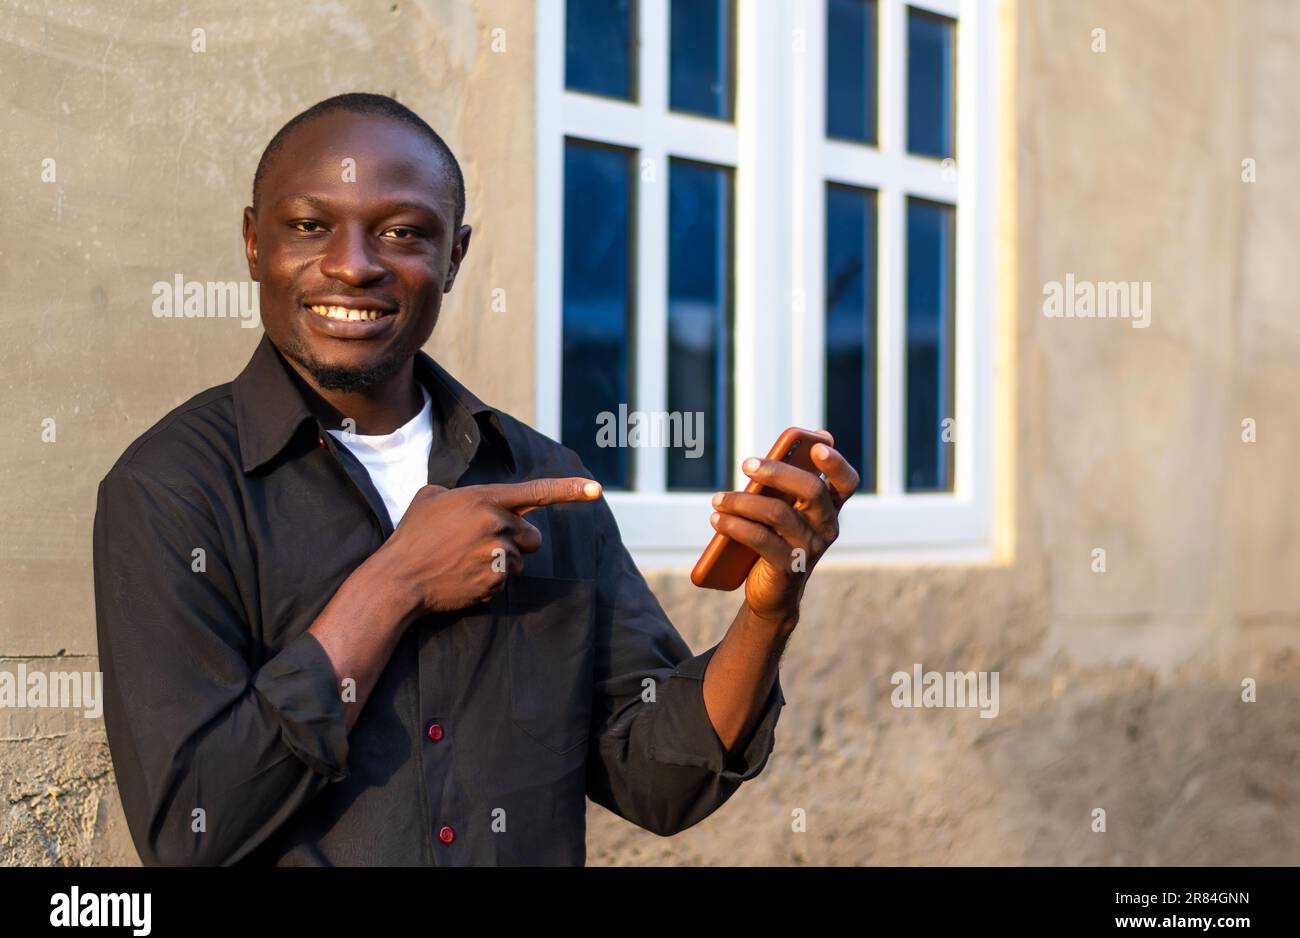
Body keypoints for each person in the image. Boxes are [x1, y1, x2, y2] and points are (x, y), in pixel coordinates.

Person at [92, 93, 859, 865]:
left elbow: (657, 781)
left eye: (401, 232)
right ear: (255, 244)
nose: (353, 264)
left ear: (454, 257)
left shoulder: (546, 480)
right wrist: (396, 582)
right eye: (309, 226)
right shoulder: (172, 490)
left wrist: (767, 615)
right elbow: (189, 828)